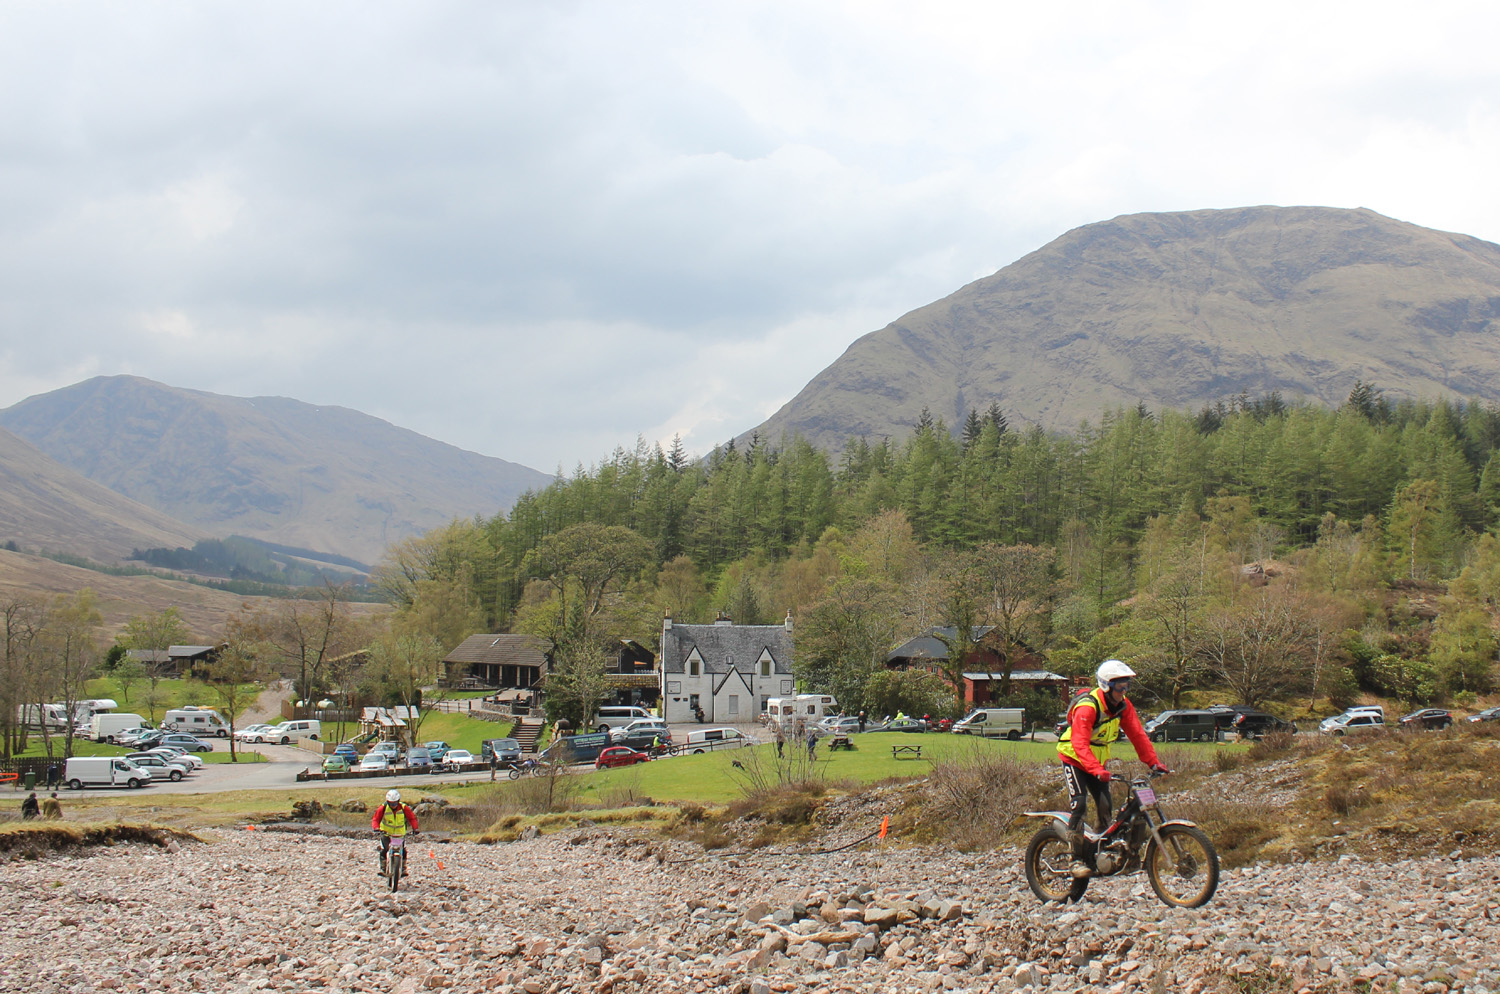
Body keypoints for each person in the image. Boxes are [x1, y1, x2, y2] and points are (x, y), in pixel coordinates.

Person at [1056, 660, 1169, 880]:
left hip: (1097, 763)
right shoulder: (1088, 708)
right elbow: (1079, 744)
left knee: (1106, 808)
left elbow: (1137, 734)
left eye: (1127, 686)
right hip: (1074, 758)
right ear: (1107, 686)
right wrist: (1095, 769)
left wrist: (1153, 762)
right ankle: (1075, 859)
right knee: (1079, 805)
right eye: (1120, 687)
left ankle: (1100, 852)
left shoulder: (1123, 706)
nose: (1124, 691)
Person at [371, 789, 419, 877]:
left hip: (400, 834)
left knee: (403, 850)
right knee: (384, 850)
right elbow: (376, 819)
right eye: (391, 803)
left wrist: (415, 828)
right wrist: (376, 828)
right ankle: (383, 868)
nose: (393, 805)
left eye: (395, 803)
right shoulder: (383, 808)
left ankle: (403, 868)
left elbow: (412, 818)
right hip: (386, 833)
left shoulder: (404, 808)